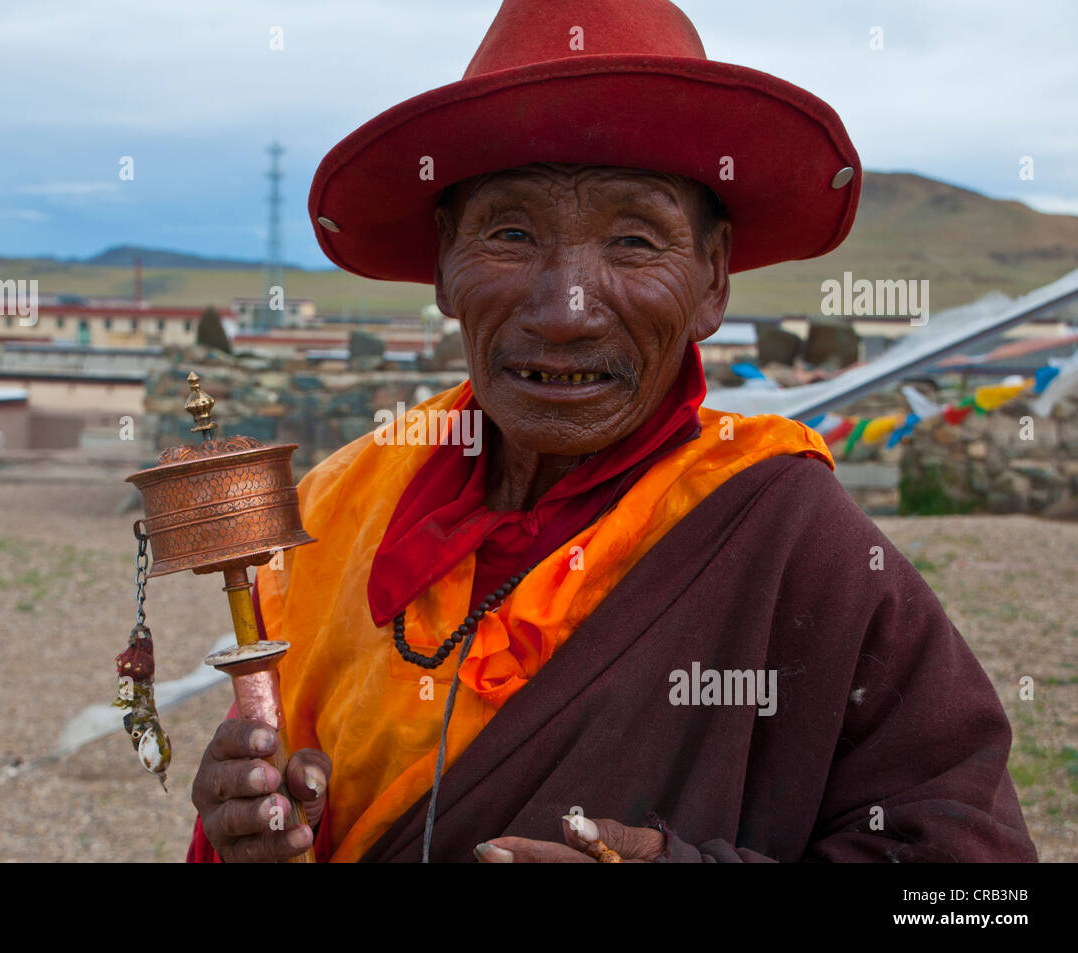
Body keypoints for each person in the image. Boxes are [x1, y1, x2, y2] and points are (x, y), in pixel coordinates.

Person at [188, 0, 1036, 863]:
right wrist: (257, 832)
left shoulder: (787, 537)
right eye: (510, 233)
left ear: (712, 279)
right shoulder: (339, 512)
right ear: (445, 264)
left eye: (634, 240)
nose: (565, 311)